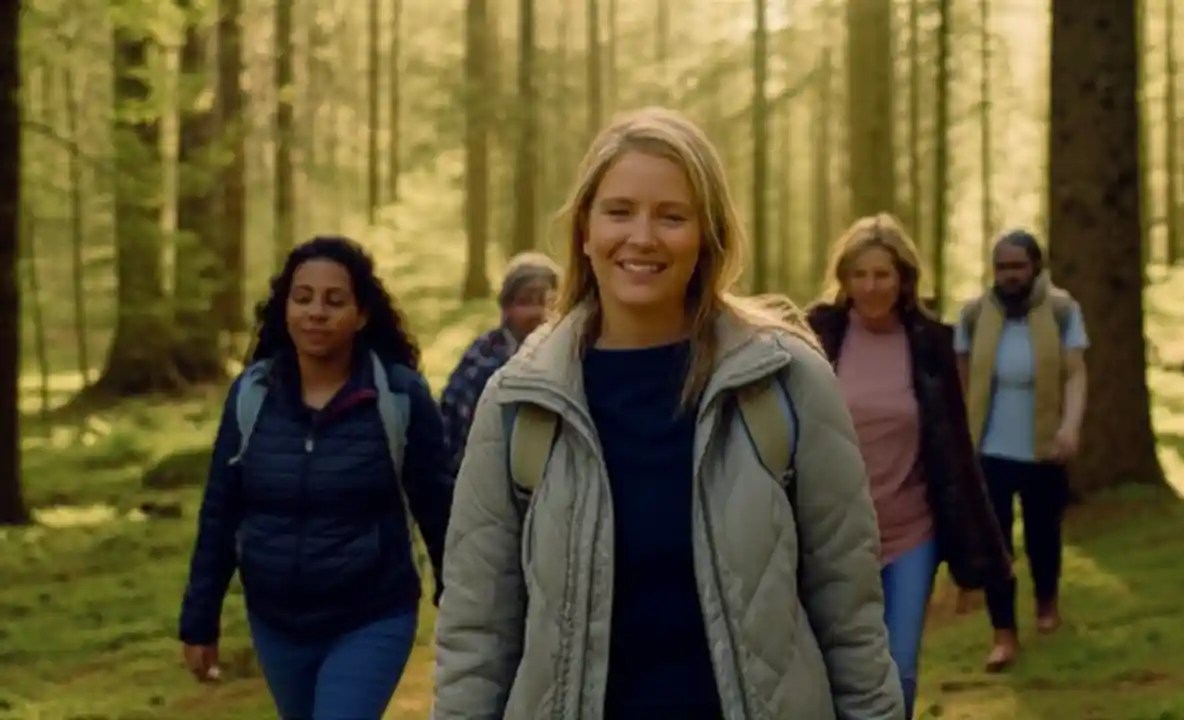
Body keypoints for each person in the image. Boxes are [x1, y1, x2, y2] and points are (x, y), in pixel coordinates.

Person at [432, 107, 905, 719]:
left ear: (708, 236)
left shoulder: (786, 384)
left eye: (672, 216)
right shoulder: (518, 403)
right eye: (620, 211)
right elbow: (477, 633)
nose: (643, 237)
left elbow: (850, 611)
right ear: (584, 229)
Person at [178, 236, 452, 719]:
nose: (316, 312)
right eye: (302, 298)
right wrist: (200, 621)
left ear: (362, 314)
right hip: (276, 620)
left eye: (334, 300)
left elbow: (439, 508)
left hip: (371, 615)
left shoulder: (399, 397)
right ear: (285, 308)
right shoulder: (253, 395)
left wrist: (462, 603)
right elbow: (221, 510)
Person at [806, 214, 1010, 717]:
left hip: (910, 534)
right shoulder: (816, 335)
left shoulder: (931, 343)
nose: (871, 287)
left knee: (900, 668)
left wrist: (976, 561)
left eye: (882, 275)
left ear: (903, 280)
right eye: (860, 275)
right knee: (832, 671)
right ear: (844, 279)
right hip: (830, 538)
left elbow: (956, 452)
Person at [954, 228, 1089, 671]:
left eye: (1018, 267)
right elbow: (960, 379)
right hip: (989, 450)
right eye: (1001, 267)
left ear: (1036, 268)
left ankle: (1047, 600)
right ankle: (1004, 634)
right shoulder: (974, 314)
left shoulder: (1062, 310)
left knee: (1042, 534)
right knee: (996, 546)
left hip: (1044, 447)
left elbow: (1074, 374)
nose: (1009, 276)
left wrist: (1070, 427)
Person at [438, 251, 560, 479]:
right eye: (525, 302)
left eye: (548, 303)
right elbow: (452, 429)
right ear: (506, 308)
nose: (538, 313)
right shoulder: (482, 359)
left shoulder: (576, 357)